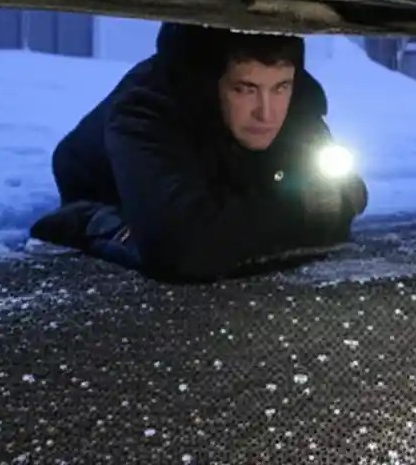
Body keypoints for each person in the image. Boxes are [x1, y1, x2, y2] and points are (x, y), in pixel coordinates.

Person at [28, 22, 367, 281]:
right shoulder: (145, 110)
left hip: (214, 175)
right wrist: (305, 212)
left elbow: (351, 192)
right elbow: (184, 251)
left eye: (280, 87)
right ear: (210, 83)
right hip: (108, 182)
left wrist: (250, 221)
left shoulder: (294, 104)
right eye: (245, 89)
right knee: (163, 243)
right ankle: (91, 222)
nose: (267, 113)